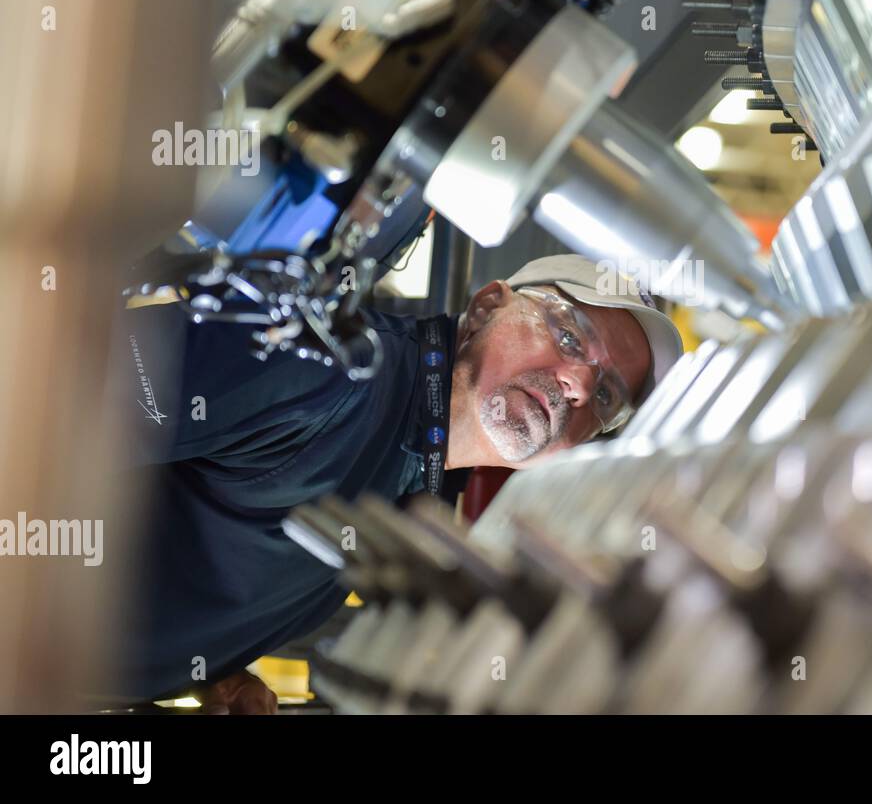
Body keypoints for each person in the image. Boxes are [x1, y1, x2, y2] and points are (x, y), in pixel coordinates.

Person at [108, 254, 682, 707]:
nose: (579, 384)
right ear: (486, 307)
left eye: (606, 395)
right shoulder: (325, 362)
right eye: (569, 337)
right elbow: (37, 391)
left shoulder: (421, 496)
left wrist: (214, 666)